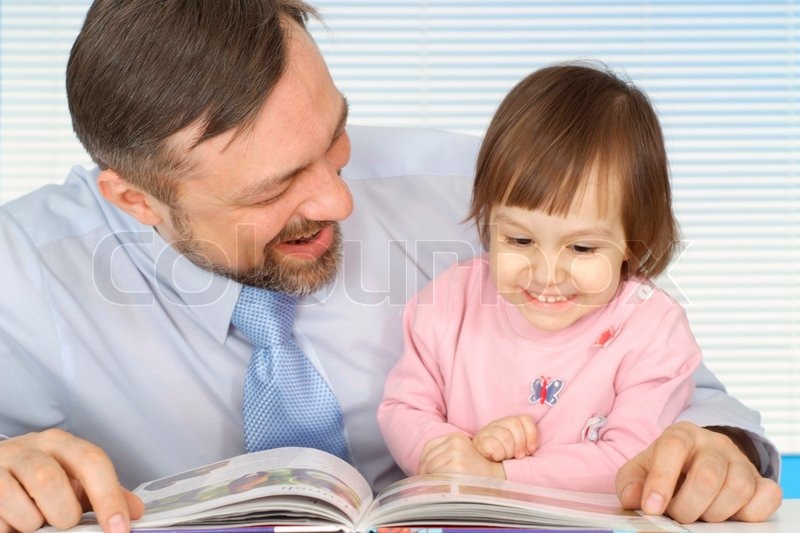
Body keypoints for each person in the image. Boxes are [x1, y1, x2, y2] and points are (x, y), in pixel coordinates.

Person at [0, 1, 781, 532]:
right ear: (136, 200)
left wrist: (715, 444)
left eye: (334, 138)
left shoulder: (476, 194)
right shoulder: (24, 274)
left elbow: (675, 382)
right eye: (276, 187)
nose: (339, 200)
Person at [378, 63, 702, 493]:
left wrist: (499, 474)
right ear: (488, 221)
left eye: (583, 248)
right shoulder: (448, 302)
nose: (547, 274)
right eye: (519, 240)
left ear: (633, 243)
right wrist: (450, 451)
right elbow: (403, 407)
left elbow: (632, 459)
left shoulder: (652, 329)